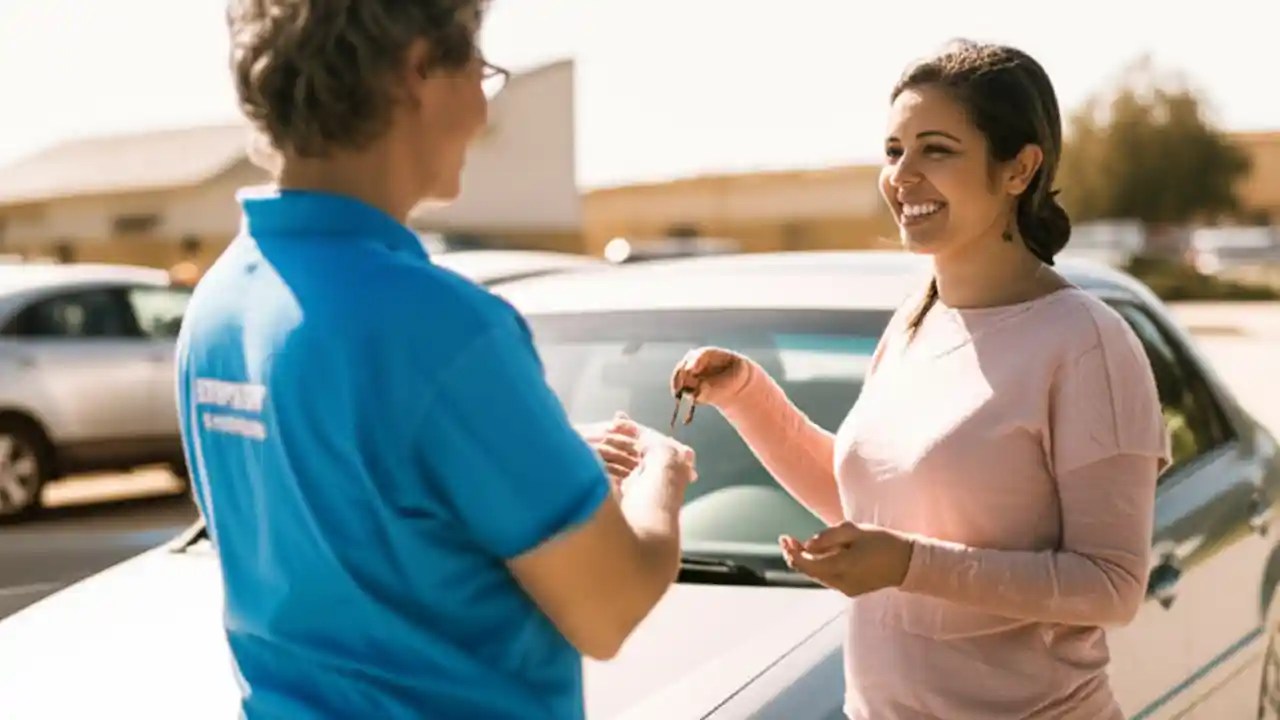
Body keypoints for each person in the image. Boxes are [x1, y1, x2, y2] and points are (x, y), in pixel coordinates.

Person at [176, 2, 696, 718]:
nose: (484, 114)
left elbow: (347, 502)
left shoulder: (220, 303)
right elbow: (610, 606)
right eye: (481, 73)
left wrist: (545, 453)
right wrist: (661, 479)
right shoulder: (441, 329)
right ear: (417, 68)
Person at [671, 39, 1170, 719]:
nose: (902, 175)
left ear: (1019, 168)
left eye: (936, 149)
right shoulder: (916, 319)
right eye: (893, 150)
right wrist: (747, 396)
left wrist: (908, 565)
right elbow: (869, 505)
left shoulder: (1086, 342)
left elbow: (1112, 585)